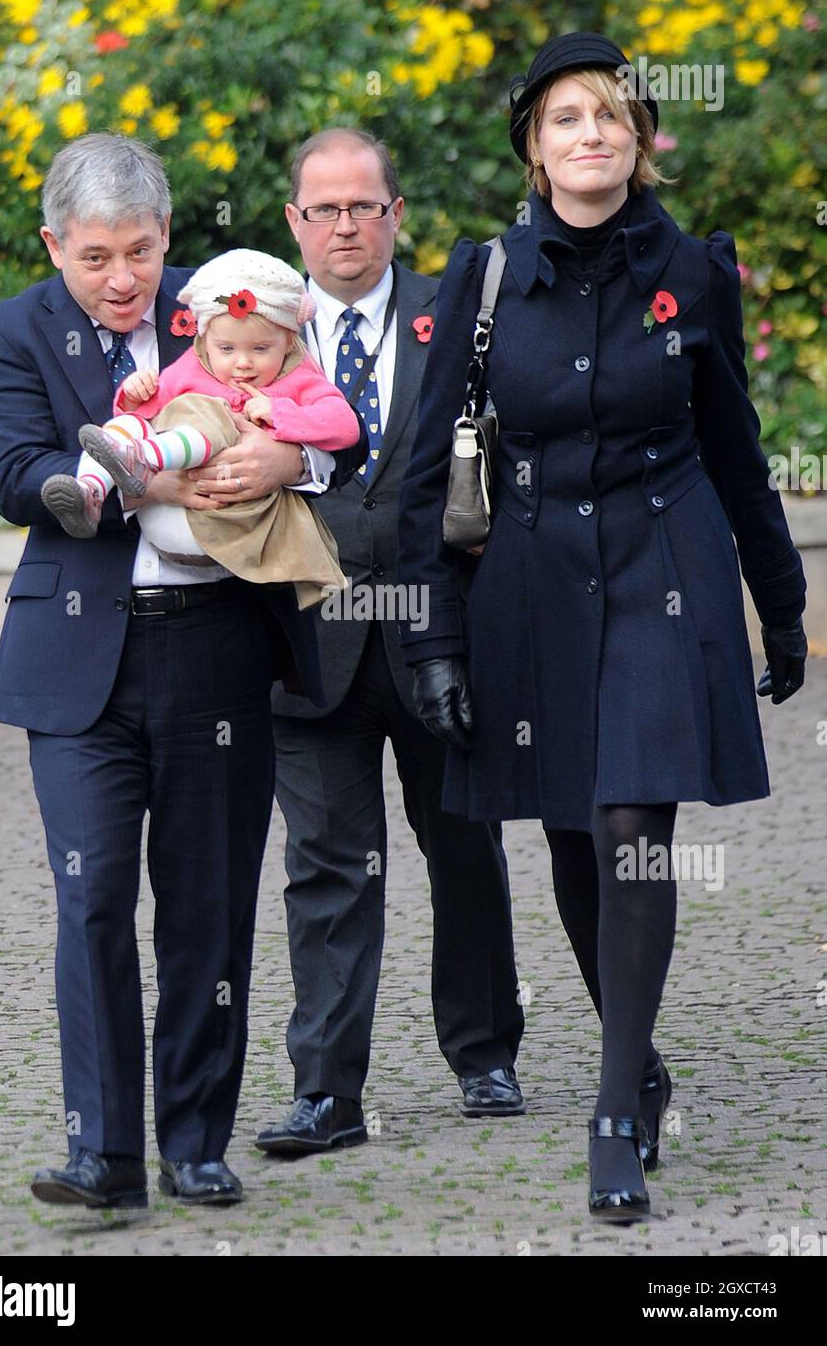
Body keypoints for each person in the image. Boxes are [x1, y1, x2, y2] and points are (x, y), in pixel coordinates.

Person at [397, 32, 807, 1221]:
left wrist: (779, 603)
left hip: (663, 560)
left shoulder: (693, 269)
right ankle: (641, 1055)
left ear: (641, 140)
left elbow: (734, 446)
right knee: (576, 833)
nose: (593, 134)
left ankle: (615, 1110)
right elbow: (431, 475)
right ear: (534, 147)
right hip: (529, 577)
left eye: (613, 117)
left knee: (633, 816)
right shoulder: (480, 279)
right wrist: (429, 636)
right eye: (567, 118)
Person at [0, 133, 360, 1208]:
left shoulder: (234, 299)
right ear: (55, 245)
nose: (121, 279)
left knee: (208, 902)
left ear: (168, 235)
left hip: (216, 649)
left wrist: (294, 455)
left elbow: (340, 422)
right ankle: (102, 1152)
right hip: (76, 660)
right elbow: (12, 471)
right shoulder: (14, 329)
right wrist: (135, 484)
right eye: (94, 257)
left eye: (138, 252)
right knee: (90, 899)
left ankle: (195, 1140)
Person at [256, 129, 525, 1159]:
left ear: (396, 214)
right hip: (306, 645)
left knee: (464, 847)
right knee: (326, 868)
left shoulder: (453, 317)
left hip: (437, 635)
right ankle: (327, 1091)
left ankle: (486, 1051)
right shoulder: (256, 333)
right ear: (294, 224)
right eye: (322, 209)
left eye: (364, 205)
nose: (345, 226)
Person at [41, 248, 359, 607]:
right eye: (226, 348)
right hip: (165, 513)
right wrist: (133, 397)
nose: (242, 363)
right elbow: (153, 410)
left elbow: (346, 426)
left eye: (260, 349)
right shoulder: (194, 365)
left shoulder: (298, 377)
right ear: (204, 340)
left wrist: (281, 415)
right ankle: (91, 491)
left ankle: (142, 459)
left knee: (209, 417)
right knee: (128, 424)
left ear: (288, 342)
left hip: (231, 525)